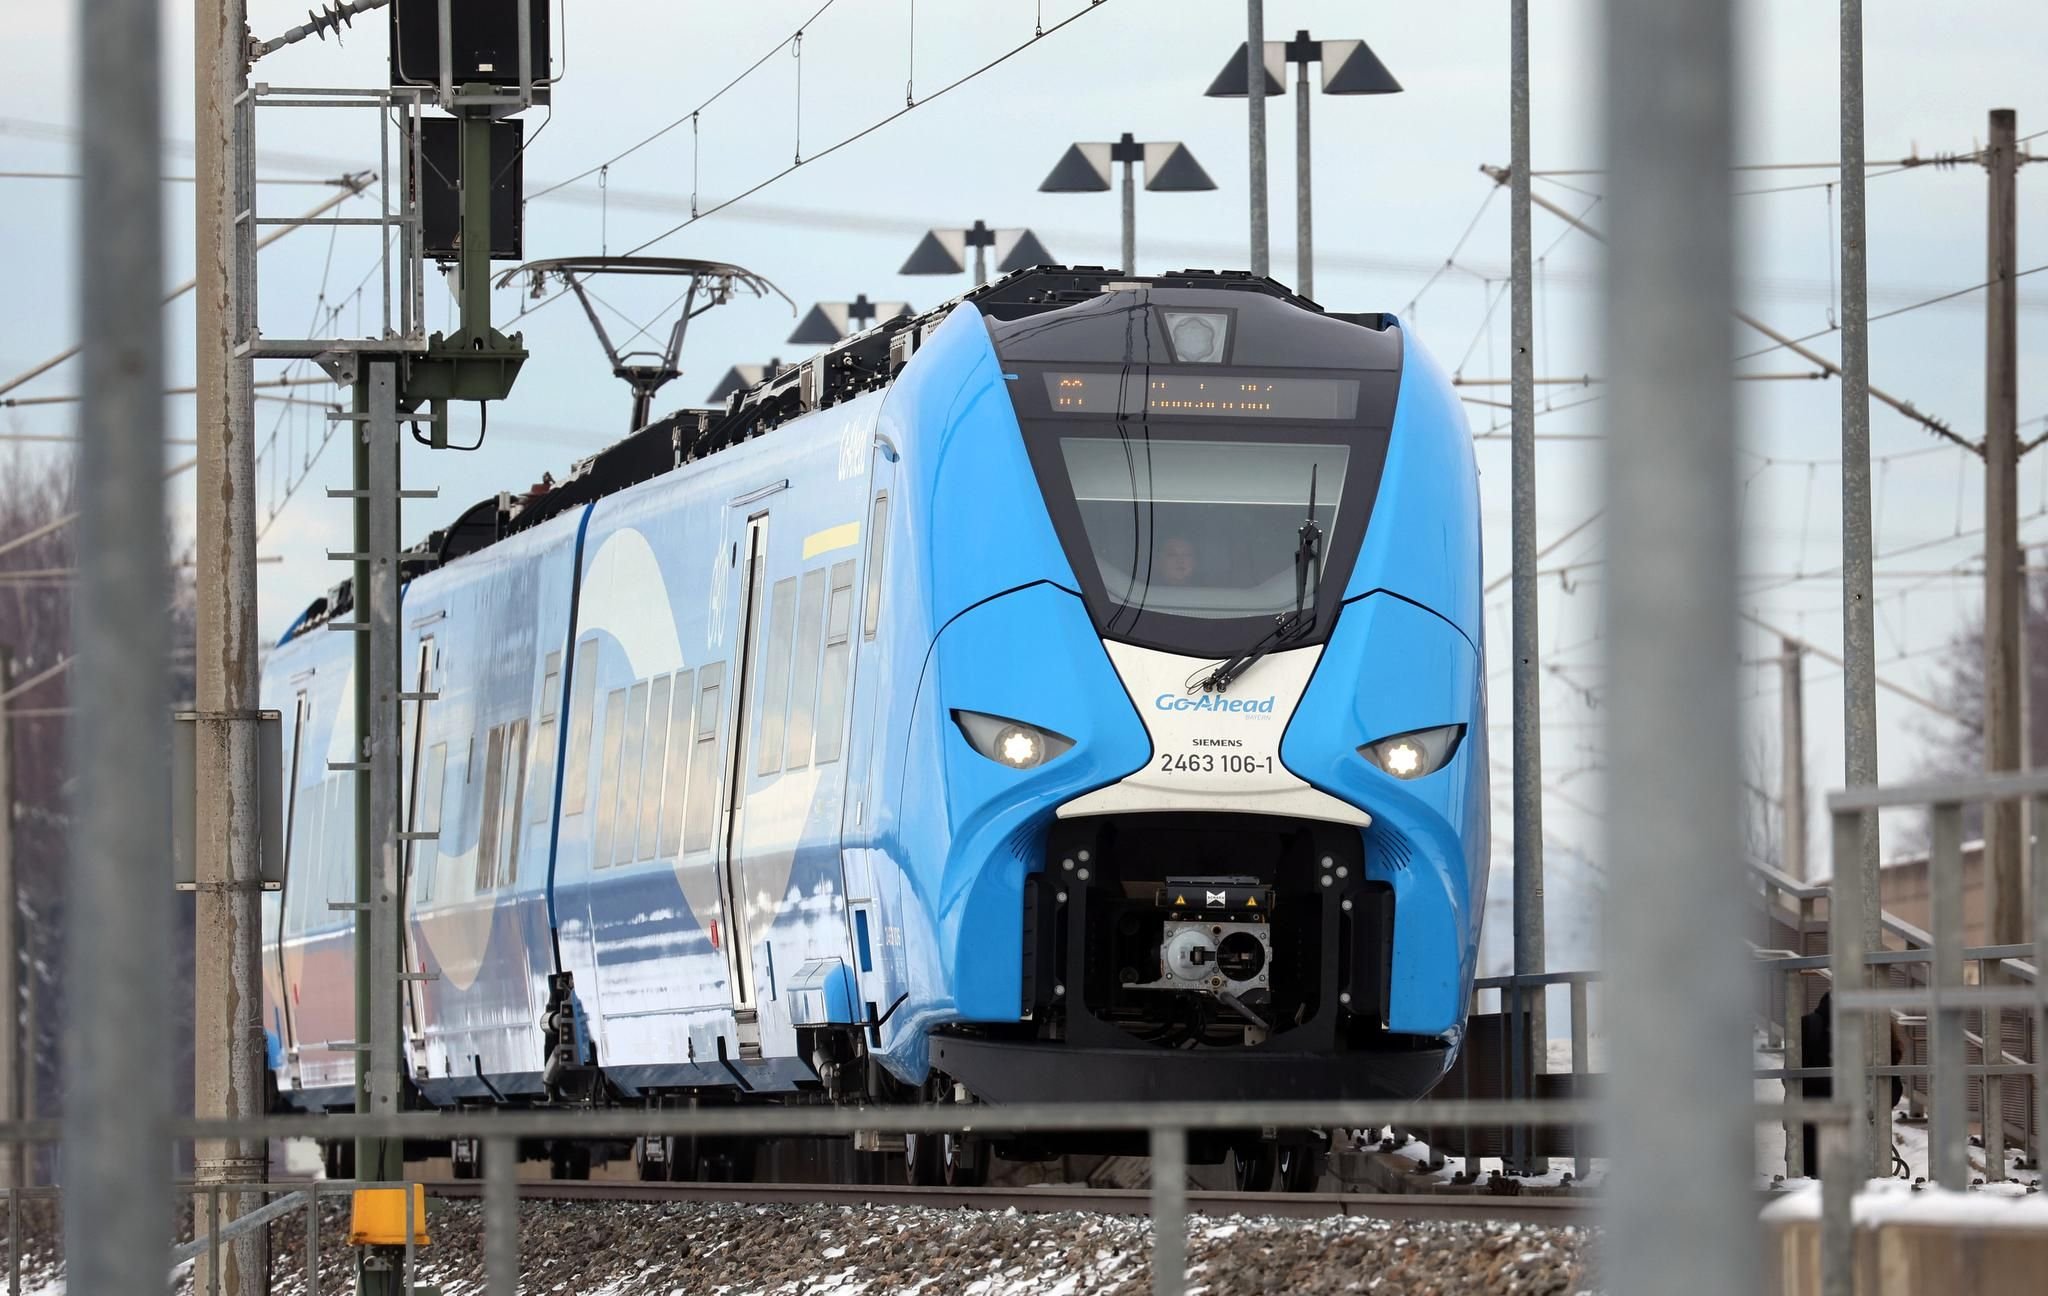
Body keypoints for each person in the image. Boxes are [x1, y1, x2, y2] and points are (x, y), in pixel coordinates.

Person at [1799, 990, 1906, 1176]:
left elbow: (1791, 1083)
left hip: (1811, 1141)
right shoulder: (1878, 1029)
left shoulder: (1806, 1026)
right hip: (1864, 1144)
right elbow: (1892, 1091)